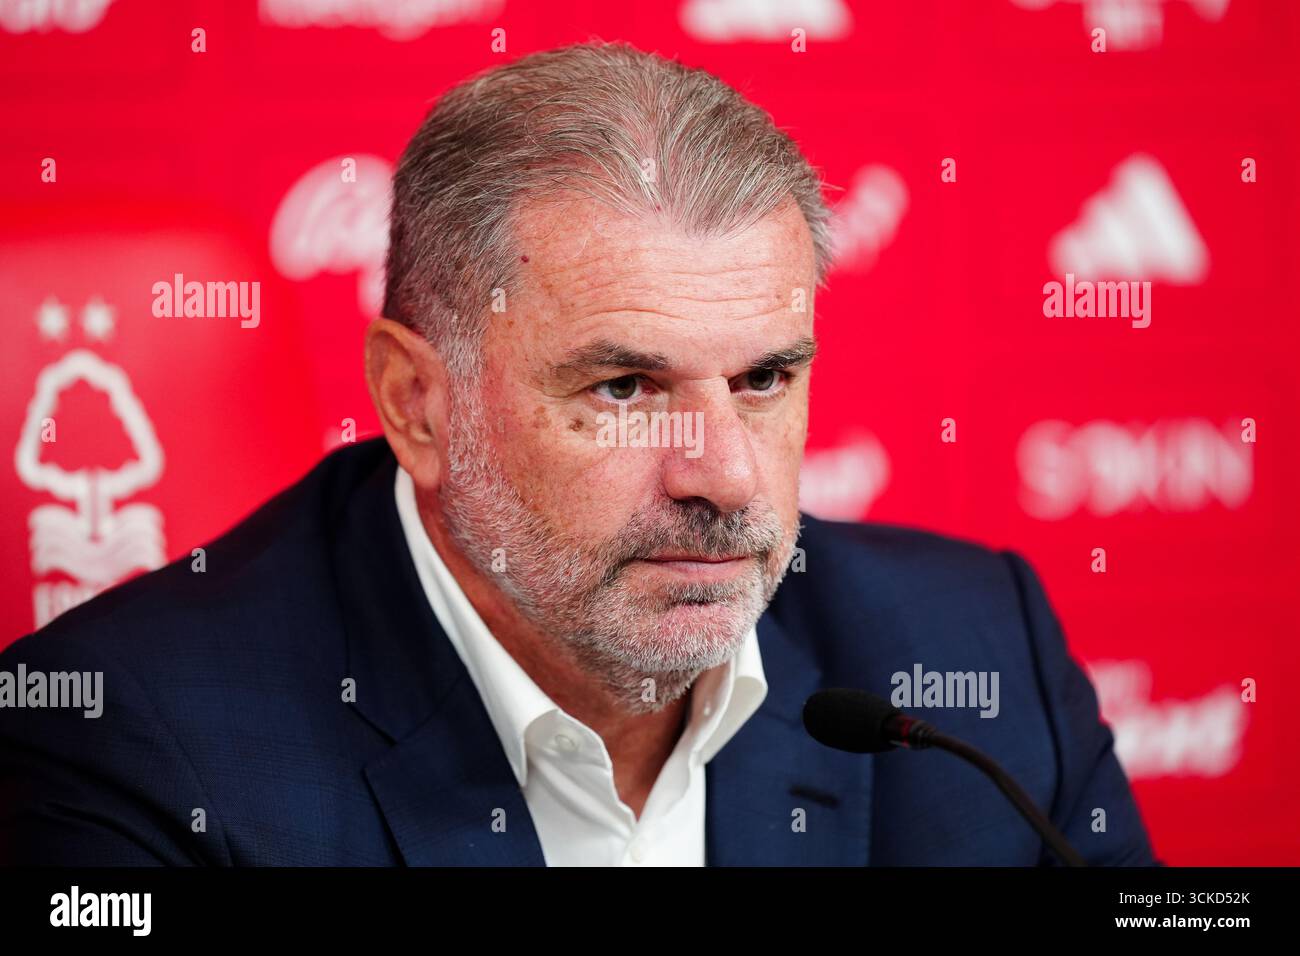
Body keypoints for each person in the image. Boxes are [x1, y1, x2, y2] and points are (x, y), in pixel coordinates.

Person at [0, 41, 1155, 866]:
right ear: (414, 403)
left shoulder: (971, 652)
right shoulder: (132, 743)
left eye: (762, 378)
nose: (727, 477)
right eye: (622, 386)